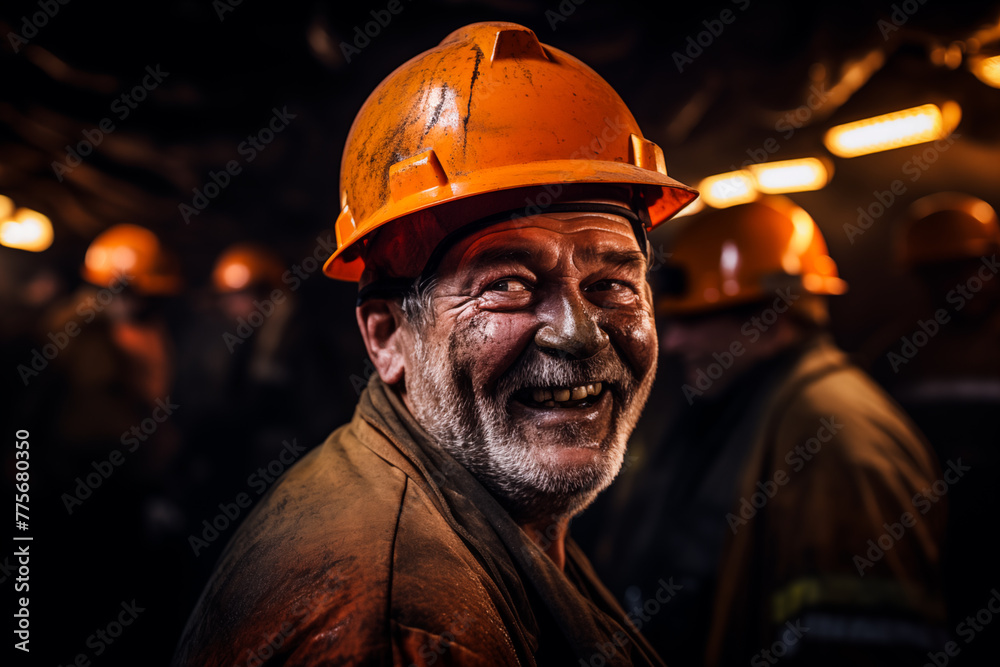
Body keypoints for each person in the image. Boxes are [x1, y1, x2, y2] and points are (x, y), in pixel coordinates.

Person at [172, 21, 697, 666]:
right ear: (388, 336)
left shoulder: (489, 517)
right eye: (507, 284)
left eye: (613, 283)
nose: (577, 332)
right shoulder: (404, 626)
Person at [582, 196, 948, 666]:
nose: (672, 342)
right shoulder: (741, 405)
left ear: (772, 314)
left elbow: (864, 646)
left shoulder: (840, 439)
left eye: (696, 320)